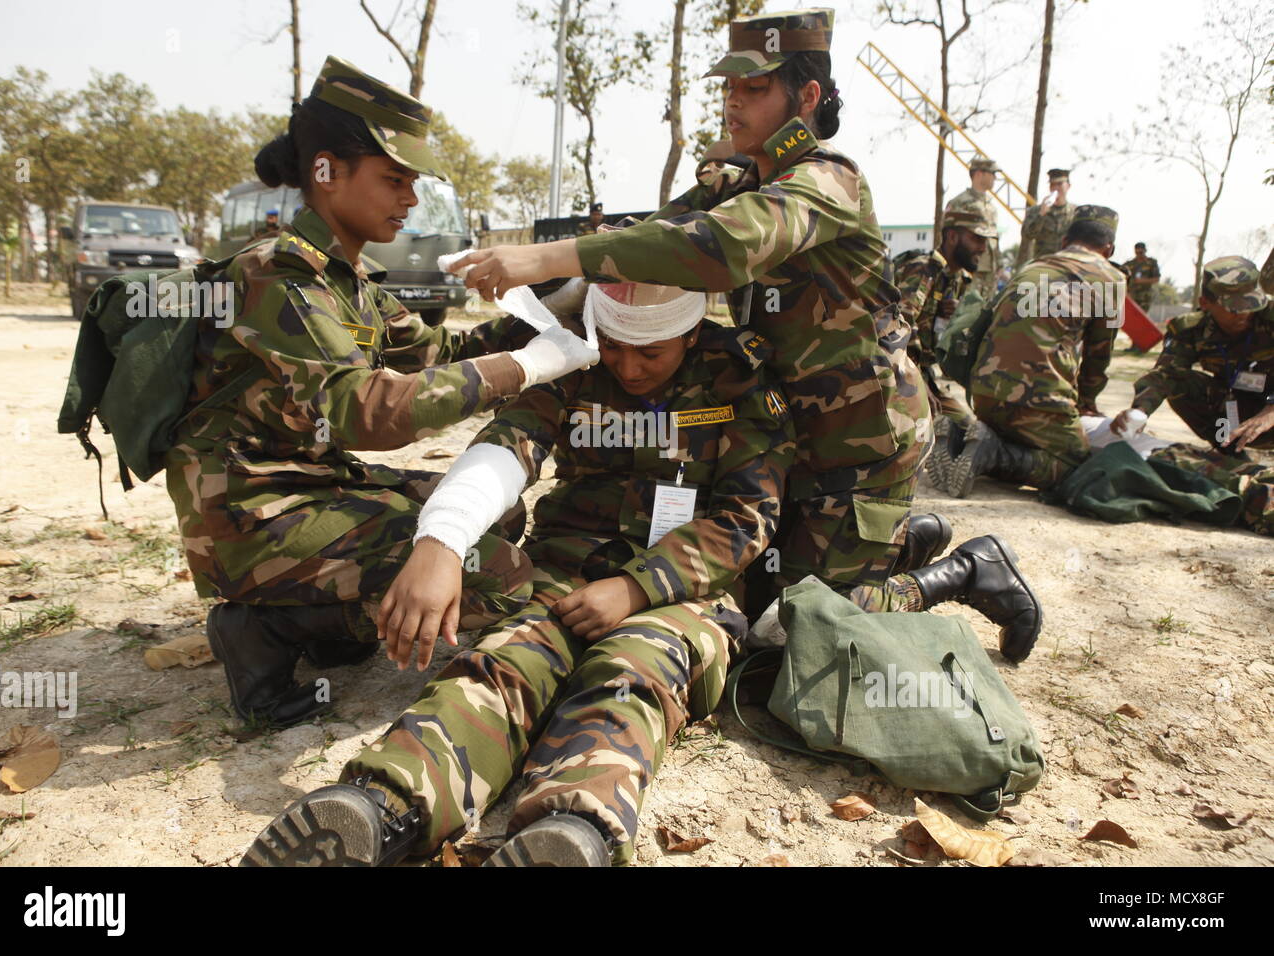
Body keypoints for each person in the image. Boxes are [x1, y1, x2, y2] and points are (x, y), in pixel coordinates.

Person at [242, 279, 1043, 868]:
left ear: (692, 333)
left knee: (633, 674)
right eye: (613, 344)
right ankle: (383, 806)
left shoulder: (738, 378)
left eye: (648, 351)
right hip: (559, 577)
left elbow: (744, 518)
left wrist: (638, 588)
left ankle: (574, 829)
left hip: (684, 597)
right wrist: (442, 539)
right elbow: (508, 446)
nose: (626, 365)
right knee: (499, 666)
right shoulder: (581, 360)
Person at [445, 8, 937, 621]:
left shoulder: (828, 181)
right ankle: (894, 543)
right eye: (729, 87)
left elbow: (720, 247)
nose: (733, 103)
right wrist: (559, 296)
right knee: (750, 586)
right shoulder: (735, 183)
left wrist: (543, 256)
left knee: (801, 623)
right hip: (786, 422)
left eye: (754, 88)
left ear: (807, 96)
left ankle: (957, 572)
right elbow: (648, 239)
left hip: (859, 434)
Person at [165, 56, 598, 727]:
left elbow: (440, 356)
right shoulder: (276, 276)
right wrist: (532, 366)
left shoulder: (348, 282)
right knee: (501, 576)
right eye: (394, 179)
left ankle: (325, 620)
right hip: (250, 510)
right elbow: (369, 413)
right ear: (325, 172)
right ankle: (266, 629)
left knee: (495, 515)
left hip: (307, 482)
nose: (410, 200)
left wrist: (544, 307)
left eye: (412, 181)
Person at [927, 205, 1126, 497]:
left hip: (984, 395)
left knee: (1024, 435)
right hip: (1039, 401)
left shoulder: (1031, 267)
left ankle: (959, 438)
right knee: (1077, 466)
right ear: (1109, 249)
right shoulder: (1113, 278)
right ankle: (992, 454)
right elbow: (1099, 355)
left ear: (1064, 241)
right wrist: (1086, 403)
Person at [1110, 256, 1273, 453]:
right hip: (1237, 408)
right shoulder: (1190, 329)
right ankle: (1229, 451)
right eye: (1235, 307)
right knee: (1179, 382)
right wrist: (1139, 411)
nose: (1245, 313)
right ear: (1205, 303)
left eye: (1251, 304)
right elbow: (1165, 375)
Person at [896, 205, 994, 425]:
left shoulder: (958, 280)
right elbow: (899, 325)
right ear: (952, 236)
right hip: (898, 373)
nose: (982, 248)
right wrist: (916, 385)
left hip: (926, 374)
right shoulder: (923, 269)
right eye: (977, 239)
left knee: (964, 424)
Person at [945, 154, 1001, 294]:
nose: (995, 178)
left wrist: (999, 265)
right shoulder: (959, 202)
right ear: (979, 174)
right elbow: (948, 239)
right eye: (992, 173)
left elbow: (993, 239)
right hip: (968, 271)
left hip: (990, 271)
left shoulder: (991, 206)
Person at [1019, 168, 1076, 263]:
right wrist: (1041, 215)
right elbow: (1027, 235)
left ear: (1068, 186)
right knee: (1043, 278)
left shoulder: (1075, 212)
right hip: (1044, 265)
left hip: (1067, 265)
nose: (1056, 188)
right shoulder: (1036, 211)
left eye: (1059, 184)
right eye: (1052, 185)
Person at [1123, 242, 1160, 314]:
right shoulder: (1129, 264)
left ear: (1145, 250)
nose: (1139, 254)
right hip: (1130, 295)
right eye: (1137, 252)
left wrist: (1141, 281)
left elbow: (1156, 279)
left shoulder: (1151, 263)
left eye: (1141, 252)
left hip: (1145, 298)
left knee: (1141, 316)